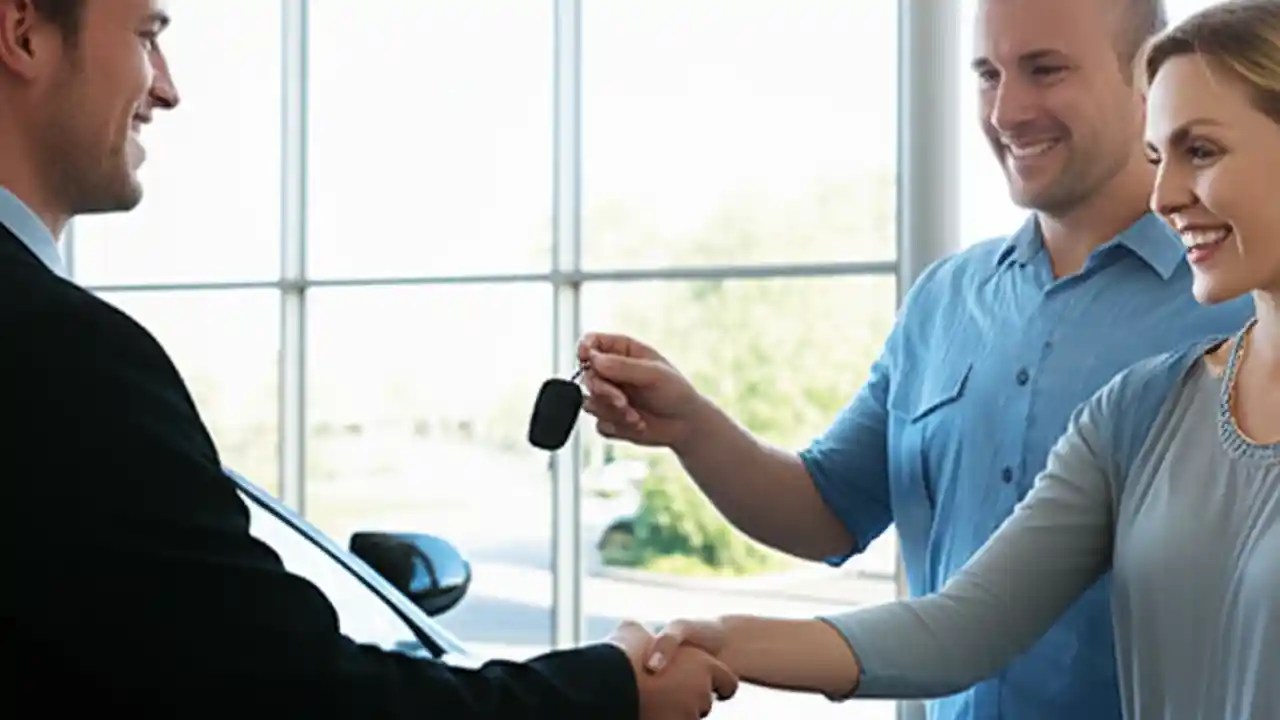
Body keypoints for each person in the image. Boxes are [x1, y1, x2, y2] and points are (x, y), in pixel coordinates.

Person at [0, 1, 739, 718]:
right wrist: (612, 691)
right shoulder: (63, 351)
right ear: (24, 32)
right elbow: (287, 690)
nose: (167, 86)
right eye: (145, 36)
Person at [577, 0, 1258, 718]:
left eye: (1044, 70)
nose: (1006, 111)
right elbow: (846, 525)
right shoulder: (946, 302)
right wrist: (691, 426)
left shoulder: (1238, 311)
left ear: (1145, 75)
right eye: (988, 74)